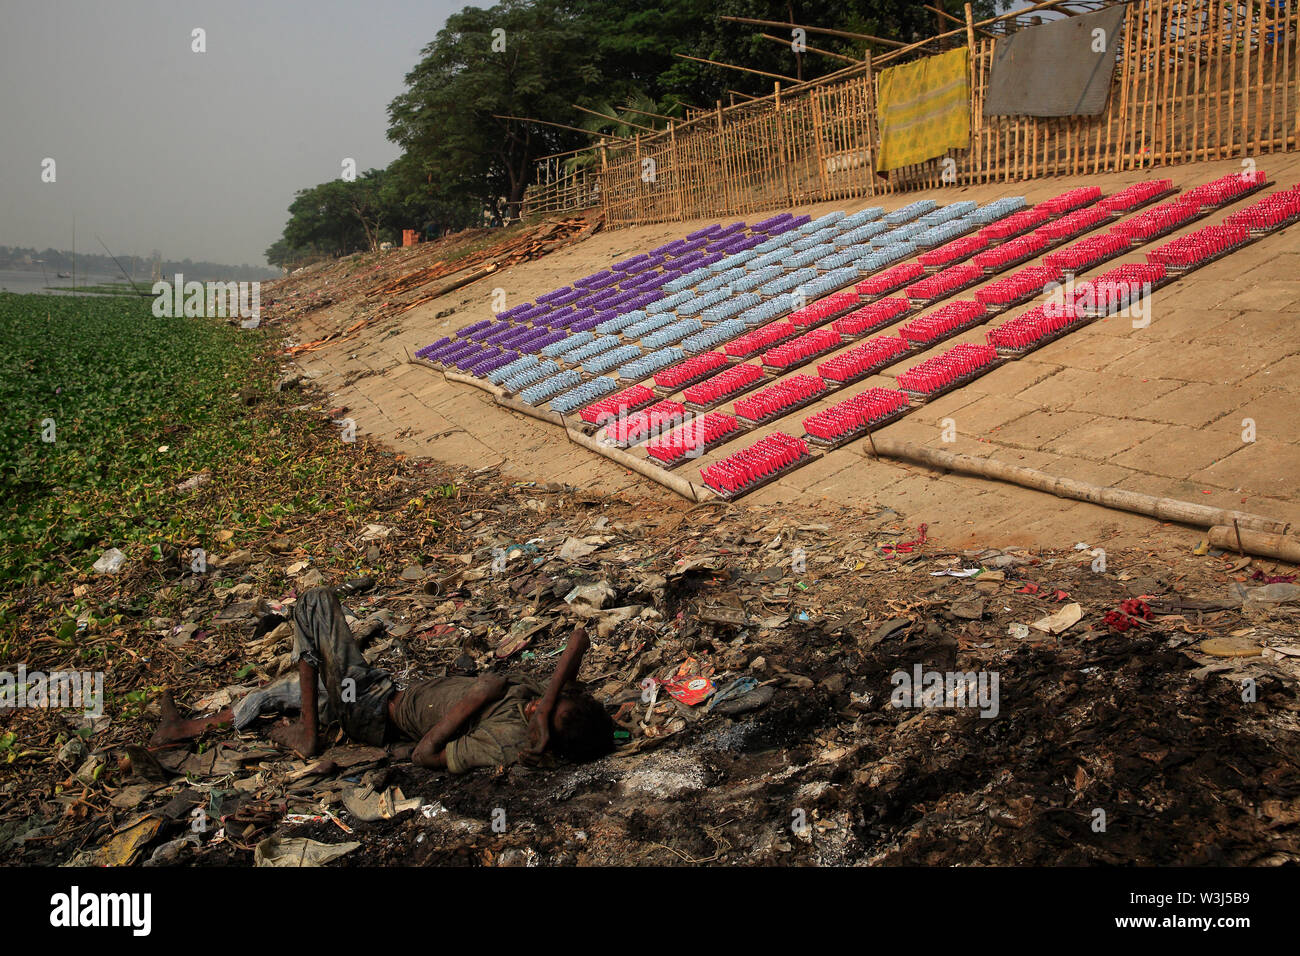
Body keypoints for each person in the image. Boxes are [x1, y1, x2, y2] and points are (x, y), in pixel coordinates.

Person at [150, 587, 614, 773]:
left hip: (374, 709)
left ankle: (308, 734)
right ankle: (183, 730)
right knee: (276, 696)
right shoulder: (538, 709)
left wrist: (478, 696)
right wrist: (549, 703)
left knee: (313, 602)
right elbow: (576, 639)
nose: (535, 704)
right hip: (382, 691)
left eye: (542, 714)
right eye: (545, 702)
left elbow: (424, 754)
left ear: (545, 738)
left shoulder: (509, 741)